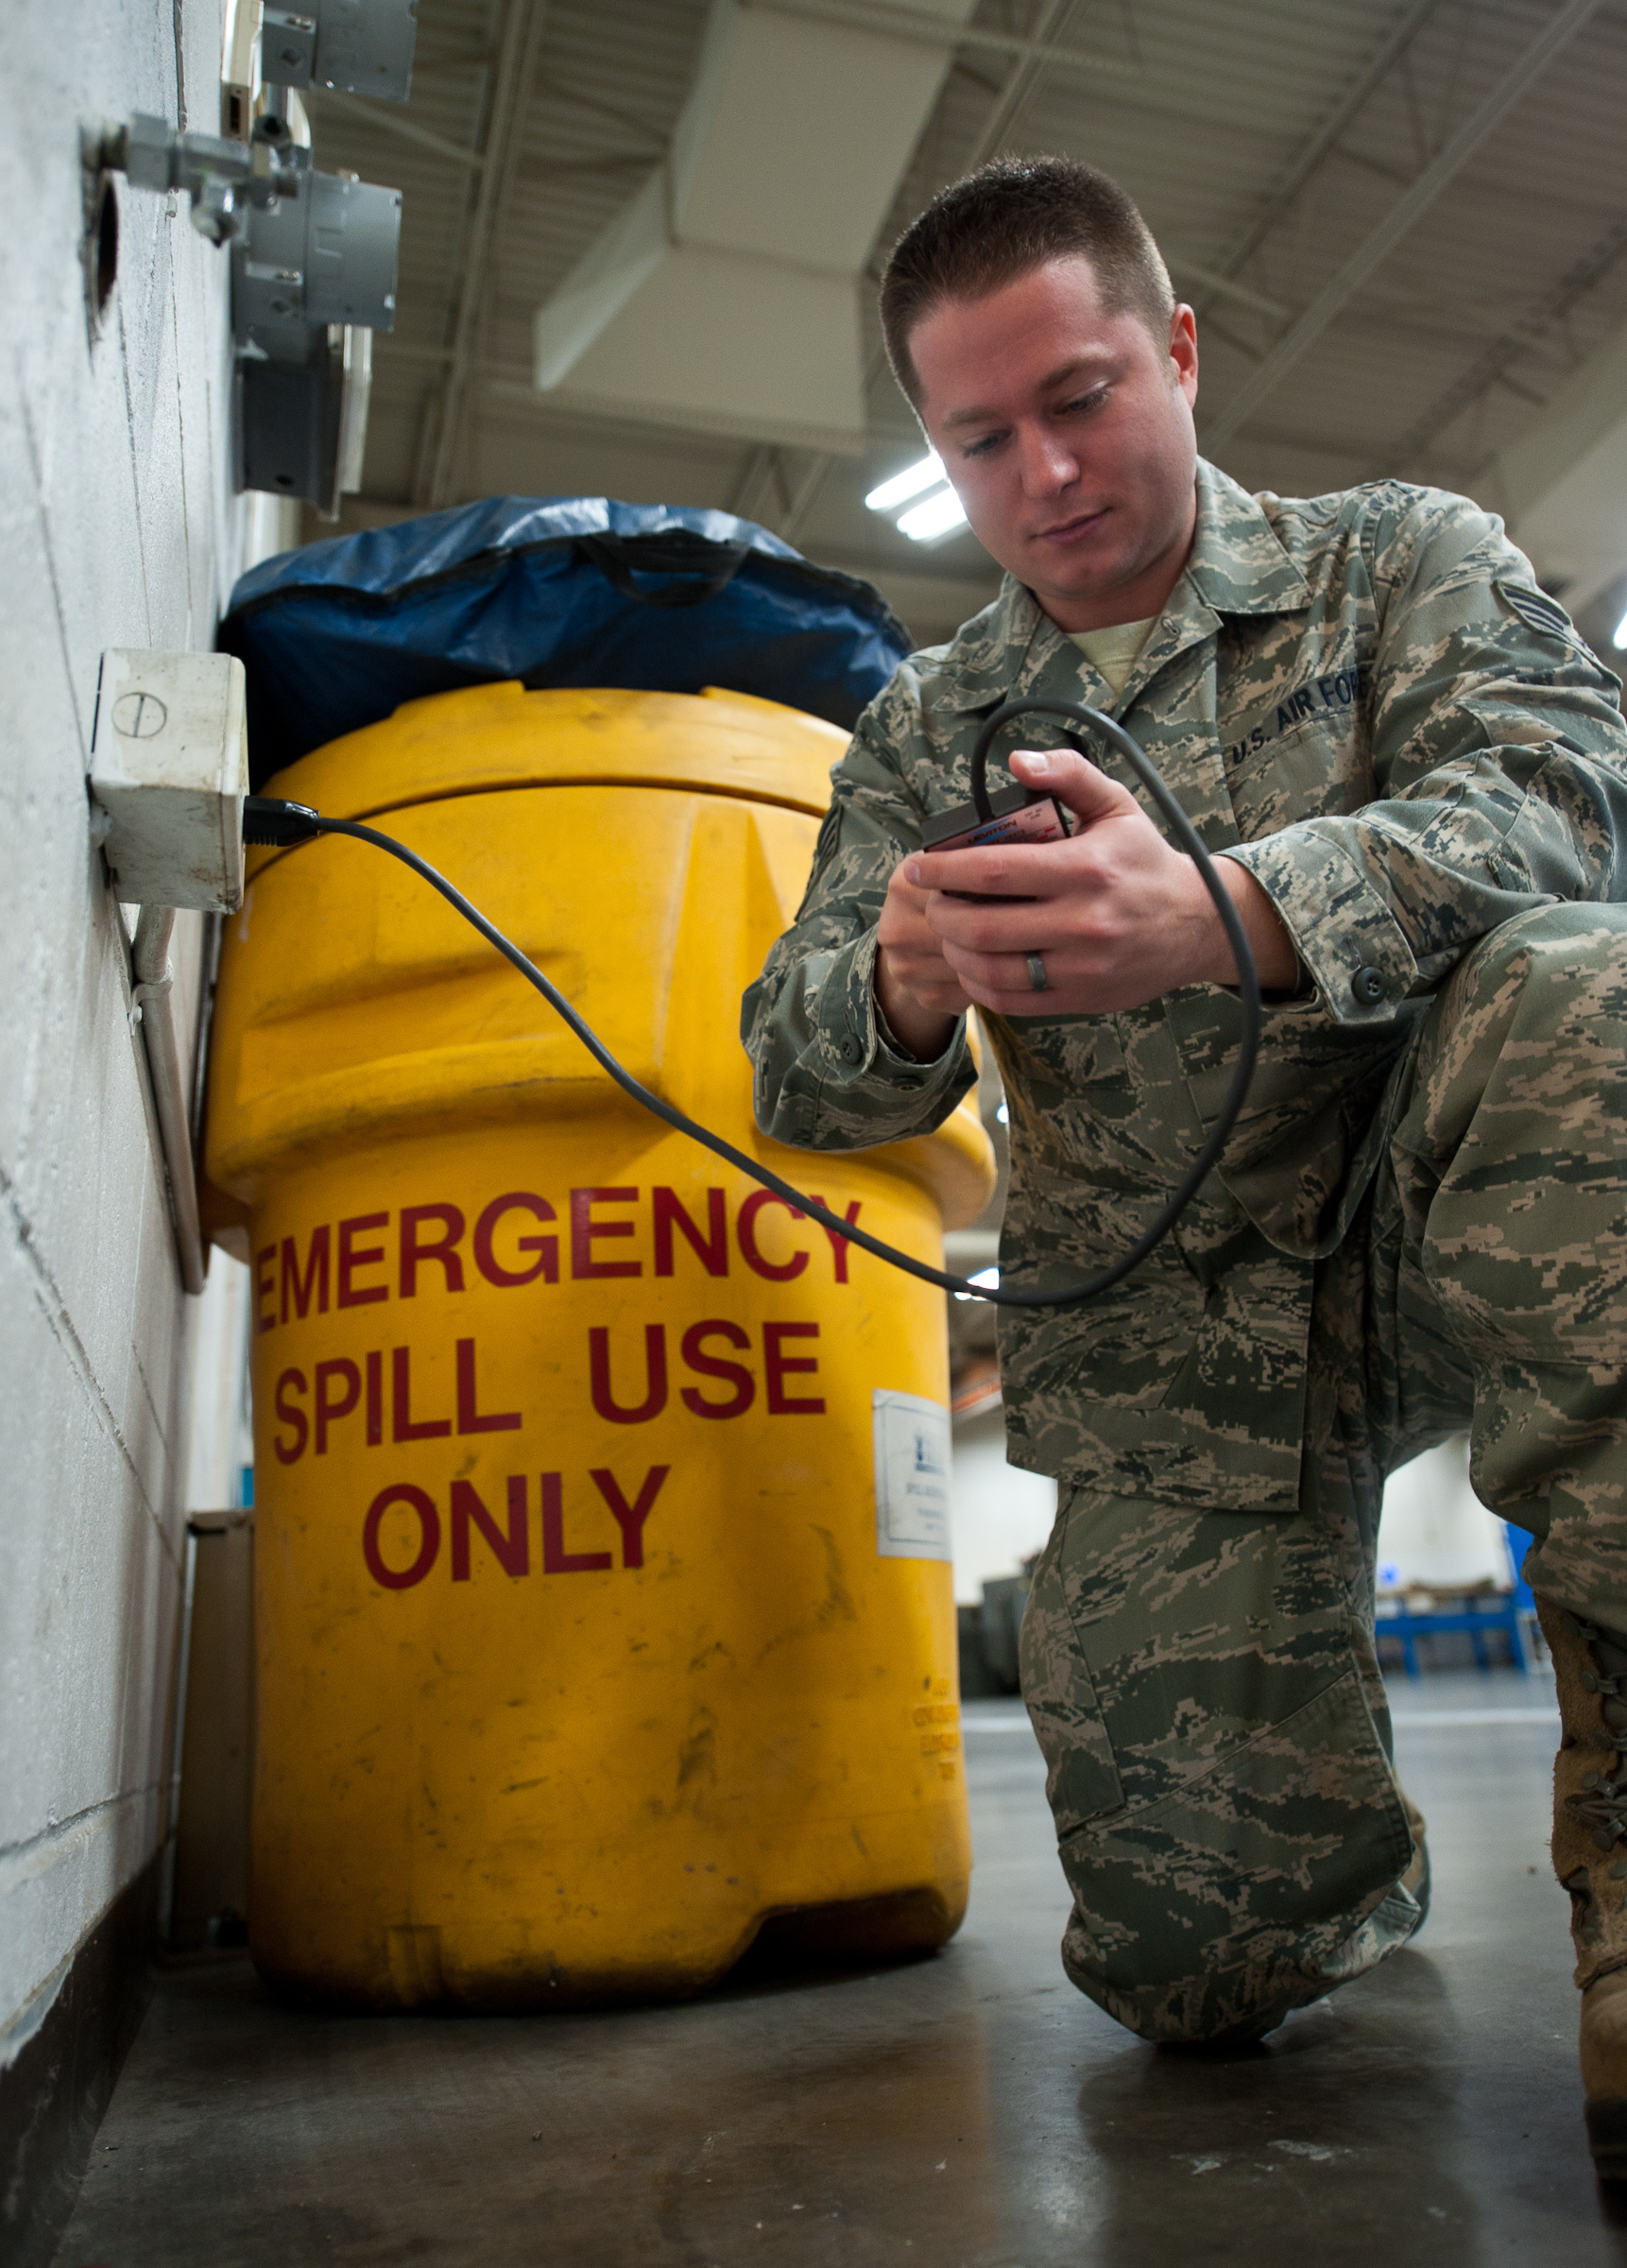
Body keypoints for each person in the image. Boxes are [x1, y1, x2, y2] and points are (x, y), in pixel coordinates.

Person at [741, 154, 1627, 2173]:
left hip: (1457, 1210)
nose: (1044, 472)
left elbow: (1579, 802)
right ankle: (1320, 1860)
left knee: (1589, 995)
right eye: (981, 438)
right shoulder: (928, 730)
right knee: (1193, 1975)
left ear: (1182, 354)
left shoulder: (1396, 565)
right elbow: (795, 1083)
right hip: (1181, 1348)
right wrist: (894, 984)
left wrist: (1226, 911)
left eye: (1081, 396)